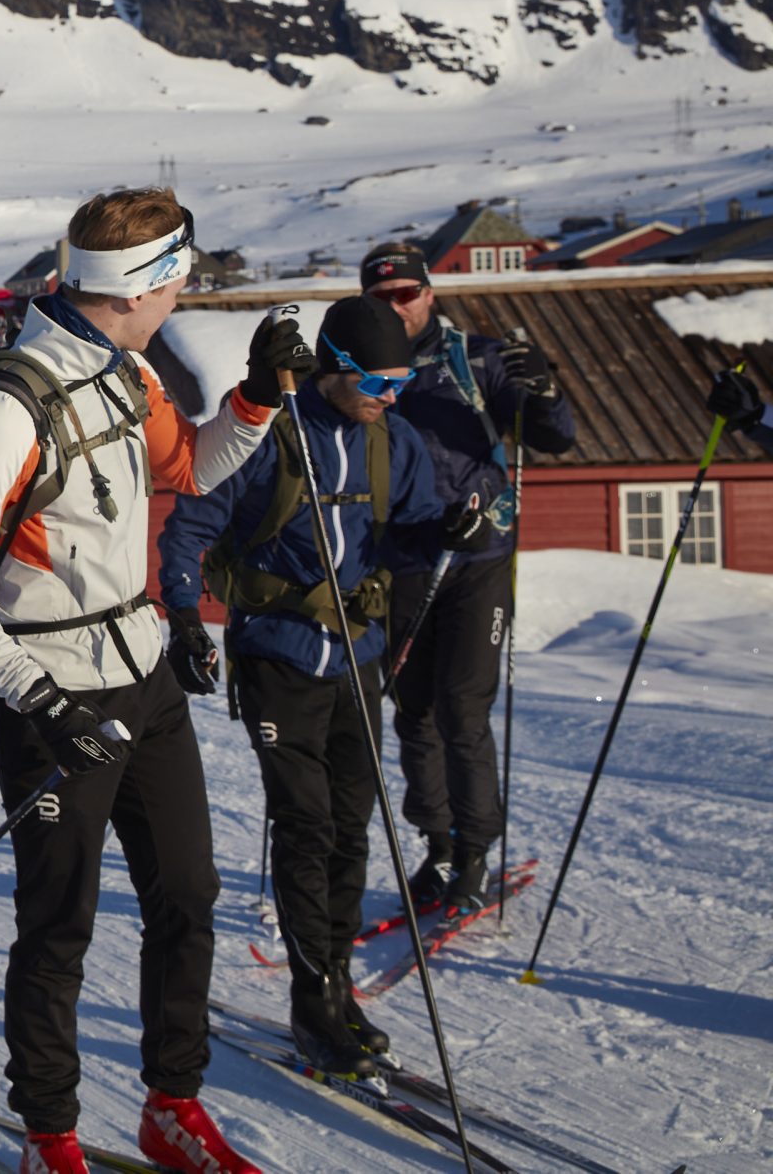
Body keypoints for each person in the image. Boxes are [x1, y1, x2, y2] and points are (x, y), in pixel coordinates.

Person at [0, 188, 299, 1174]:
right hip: (47, 693)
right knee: (59, 920)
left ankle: (171, 1105)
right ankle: (48, 1133)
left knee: (186, 892)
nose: (187, 292)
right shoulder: (5, 405)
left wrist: (254, 398)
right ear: (147, 285)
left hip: (142, 672)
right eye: (180, 276)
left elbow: (191, 471)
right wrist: (32, 694)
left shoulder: (128, 373)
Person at [159, 294, 491, 1079]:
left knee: (351, 827)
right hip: (279, 655)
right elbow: (191, 527)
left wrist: (447, 532)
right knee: (306, 827)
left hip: (358, 655)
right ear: (336, 370)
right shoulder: (273, 436)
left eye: (400, 382)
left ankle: (339, 986)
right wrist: (182, 618)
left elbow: (408, 536)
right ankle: (313, 1005)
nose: (390, 396)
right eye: (378, 382)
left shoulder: (392, 442)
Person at [358, 243, 577, 909]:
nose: (399, 307)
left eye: (408, 294)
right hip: (402, 558)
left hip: (477, 558)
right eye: (383, 298)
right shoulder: (360, 368)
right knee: (414, 712)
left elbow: (552, 437)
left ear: (429, 294)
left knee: (462, 708)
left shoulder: (477, 359)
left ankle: (476, 853)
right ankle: (439, 846)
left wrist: (544, 390)